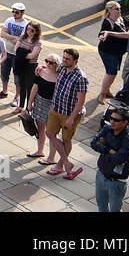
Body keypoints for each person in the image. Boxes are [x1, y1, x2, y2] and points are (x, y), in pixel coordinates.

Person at [44, 48, 88, 181]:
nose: (64, 60)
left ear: (75, 61)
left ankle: (60, 165)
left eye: (67, 59)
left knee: (66, 139)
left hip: (69, 114)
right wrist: (42, 67)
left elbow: (81, 101)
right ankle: (67, 163)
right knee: (49, 133)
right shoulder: (62, 68)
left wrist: (72, 118)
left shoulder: (81, 77)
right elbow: (53, 70)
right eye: (63, 58)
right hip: (56, 108)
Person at [90, 106, 129, 212]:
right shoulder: (107, 129)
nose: (112, 122)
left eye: (116, 120)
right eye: (111, 118)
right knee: (101, 206)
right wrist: (109, 150)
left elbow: (118, 159)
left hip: (116, 181)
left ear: (125, 122)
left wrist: (103, 147)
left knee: (115, 209)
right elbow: (93, 143)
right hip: (101, 174)